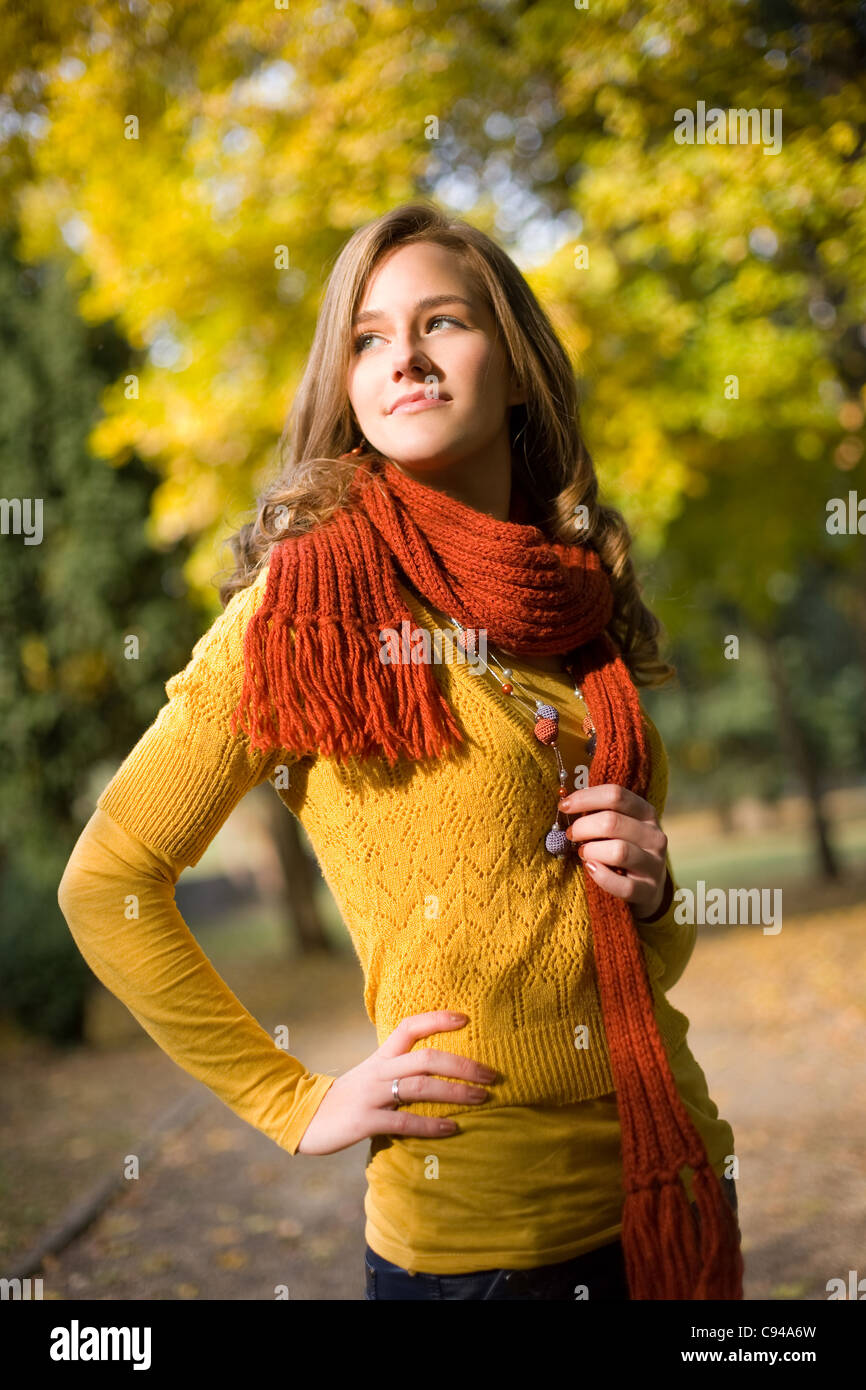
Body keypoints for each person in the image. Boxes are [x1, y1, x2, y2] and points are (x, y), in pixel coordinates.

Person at [58, 201, 743, 1302]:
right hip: (483, 1247)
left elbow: (617, 960)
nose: (404, 358)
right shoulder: (306, 609)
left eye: (441, 323)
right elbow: (107, 883)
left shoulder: (575, 615)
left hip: (666, 1184)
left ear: (515, 367)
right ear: (344, 383)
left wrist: (652, 895)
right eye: (368, 338)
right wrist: (295, 1100)